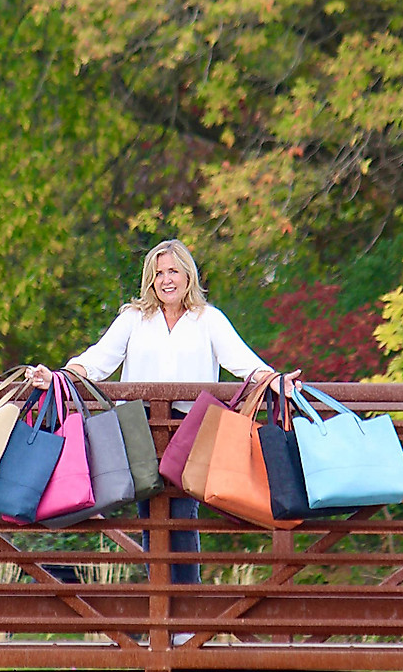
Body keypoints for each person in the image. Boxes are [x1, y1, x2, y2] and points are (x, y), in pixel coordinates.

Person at [26, 238, 299, 590]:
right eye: (158, 274)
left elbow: (241, 360)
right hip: (142, 430)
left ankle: (186, 611)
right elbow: (98, 359)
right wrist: (57, 376)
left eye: (173, 271)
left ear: (188, 274)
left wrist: (274, 381)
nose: (166, 280)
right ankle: (160, 610)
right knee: (150, 515)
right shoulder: (135, 318)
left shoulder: (208, 319)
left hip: (190, 429)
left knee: (183, 515)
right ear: (150, 281)